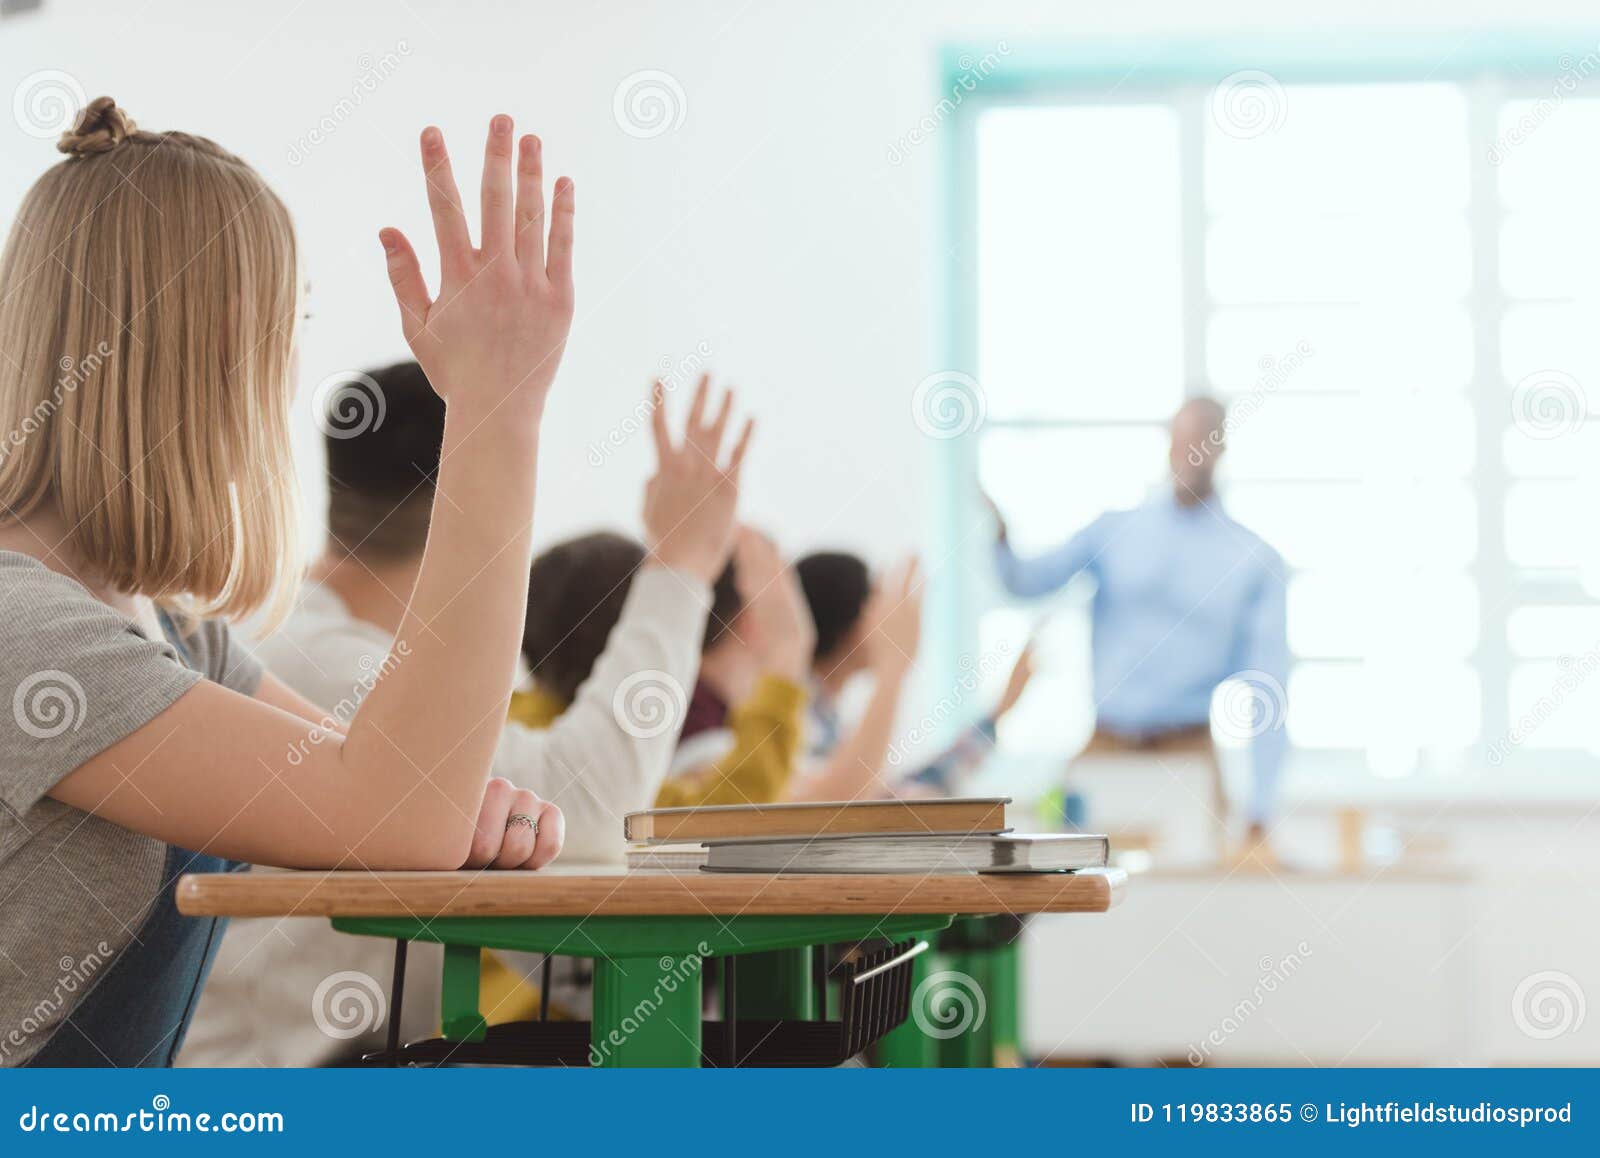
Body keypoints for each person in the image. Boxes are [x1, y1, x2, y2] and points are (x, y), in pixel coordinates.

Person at [0, 97, 573, 1066]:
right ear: (230, 336)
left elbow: (405, 797)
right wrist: (495, 410)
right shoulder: (25, 632)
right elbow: (400, 815)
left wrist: (461, 805)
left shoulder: (178, 638)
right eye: (291, 320)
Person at [180, 370, 746, 1065]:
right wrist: (684, 564)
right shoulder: (322, 665)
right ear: (475, 509)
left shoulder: (329, 644)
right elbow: (592, 806)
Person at [988, 397, 1288, 850]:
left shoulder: (1252, 560)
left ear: (1221, 447)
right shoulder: (1113, 532)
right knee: (1062, 874)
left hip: (1188, 751)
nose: (1189, 452)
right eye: (1180, 439)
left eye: (1201, 441)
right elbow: (1028, 582)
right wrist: (998, 532)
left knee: (1195, 891)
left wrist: (1260, 808)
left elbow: (1267, 688)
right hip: (1106, 743)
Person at [513, 521, 815, 808]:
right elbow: (724, 815)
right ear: (634, 633)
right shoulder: (598, 770)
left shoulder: (513, 732)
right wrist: (788, 652)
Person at [795, 551, 1036, 797]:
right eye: (877, 601)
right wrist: (893, 667)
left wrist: (998, 712)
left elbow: (896, 796)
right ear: (855, 621)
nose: (890, 617)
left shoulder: (825, 718)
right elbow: (839, 806)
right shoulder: (800, 715)